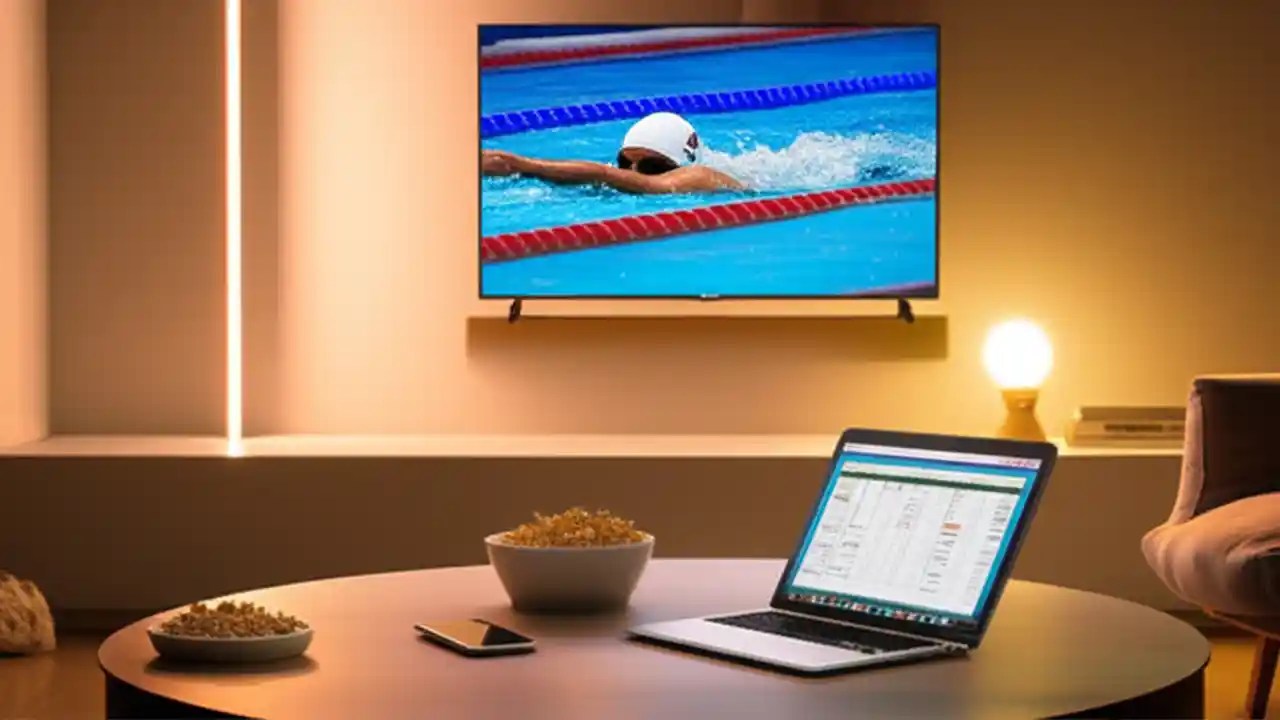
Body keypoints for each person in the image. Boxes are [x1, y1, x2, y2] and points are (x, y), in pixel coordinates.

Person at [482, 112, 744, 194]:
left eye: (651, 166)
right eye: (624, 163)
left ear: (681, 163)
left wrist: (521, 164)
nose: (632, 174)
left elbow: (653, 186)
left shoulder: (703, 177)